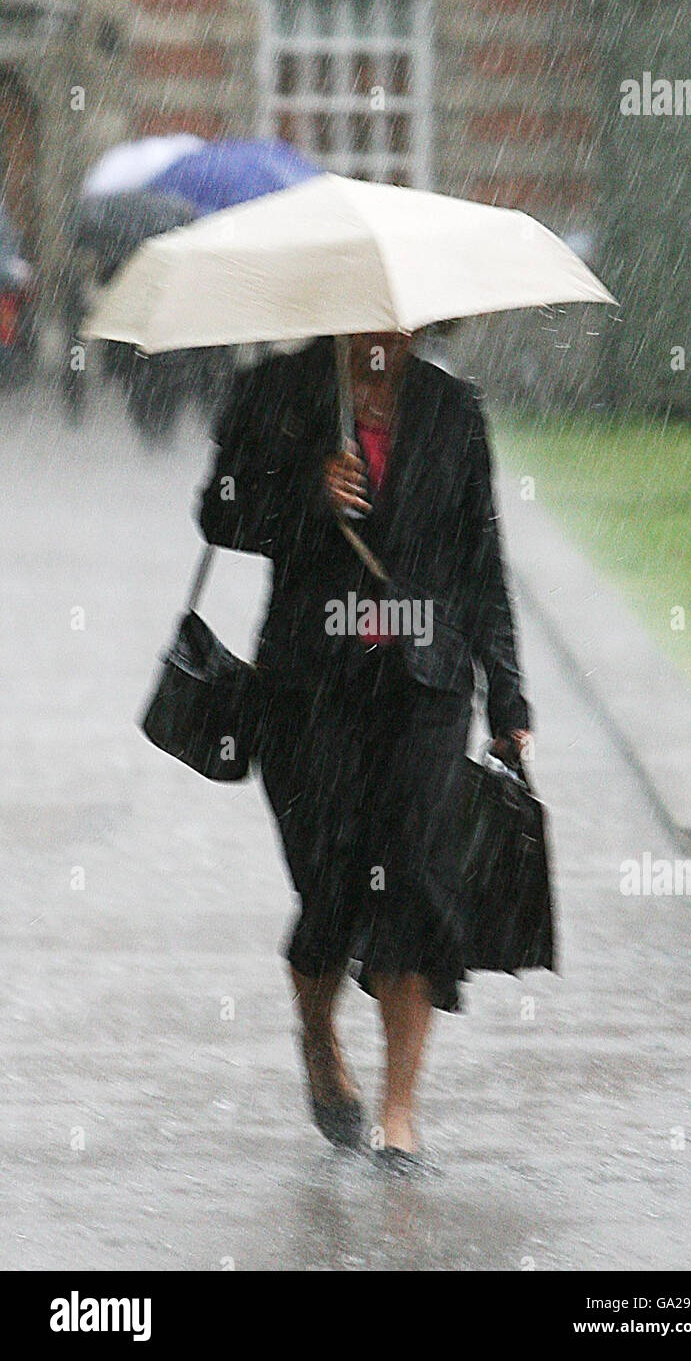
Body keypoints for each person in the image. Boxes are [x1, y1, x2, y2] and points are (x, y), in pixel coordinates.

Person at [197, 332, 532, 1171]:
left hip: (424, 686)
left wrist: (508, 692)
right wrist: (304, 493)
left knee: (412, 878)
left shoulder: (453, 411)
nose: (389, 329)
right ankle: (317, 1038)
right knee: (331, 888)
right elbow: (220, 511)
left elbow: (482, 561)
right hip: (308, 688)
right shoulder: (276, 391)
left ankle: (399, 1114)